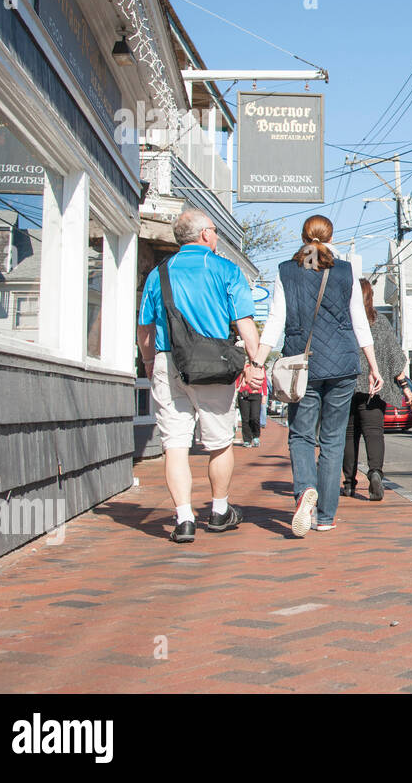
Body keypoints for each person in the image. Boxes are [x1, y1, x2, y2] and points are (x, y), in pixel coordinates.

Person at [251, 215, 384, 536]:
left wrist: (257, 362)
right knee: (333, 440)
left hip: (301, 363)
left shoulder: (287, 271)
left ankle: (304, 492)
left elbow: (275, 320)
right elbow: (359, 322)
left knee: (301, 435)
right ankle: (325, 516)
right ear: (331, 236)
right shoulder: (345, 271)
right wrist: (374, 366)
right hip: (342, 364)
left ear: (302, 235)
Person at [137, 209, 263, 543]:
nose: (217, 235)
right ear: (206, 234)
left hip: (168, 361)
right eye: (216, 230)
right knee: (220, 442)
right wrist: (256, 362)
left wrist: (150, 362)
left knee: (175, 444)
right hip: (214, 365)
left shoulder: (159, 274)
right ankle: (220, 511)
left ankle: (183, 518)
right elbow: (245, 323)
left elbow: (145, 327)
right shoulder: (225, 270)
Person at [342, 279, 412, 501]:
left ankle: (349, 483)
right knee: (374, 433)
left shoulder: (345, 322)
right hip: (375, 388)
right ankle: (375, 472)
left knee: (349, 435)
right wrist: (407, 390)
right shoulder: (380, 322)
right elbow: (396, 359)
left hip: (347, 387)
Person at [236, 366, 267, 447]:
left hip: (256, 394)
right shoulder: (243, 365)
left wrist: (265, 395)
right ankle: (247, 440)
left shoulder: (260, 366)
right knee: (245, 419)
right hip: (244, 394)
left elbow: (264, 381)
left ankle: (256, 436)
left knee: (255, 417)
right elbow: (237, 380)